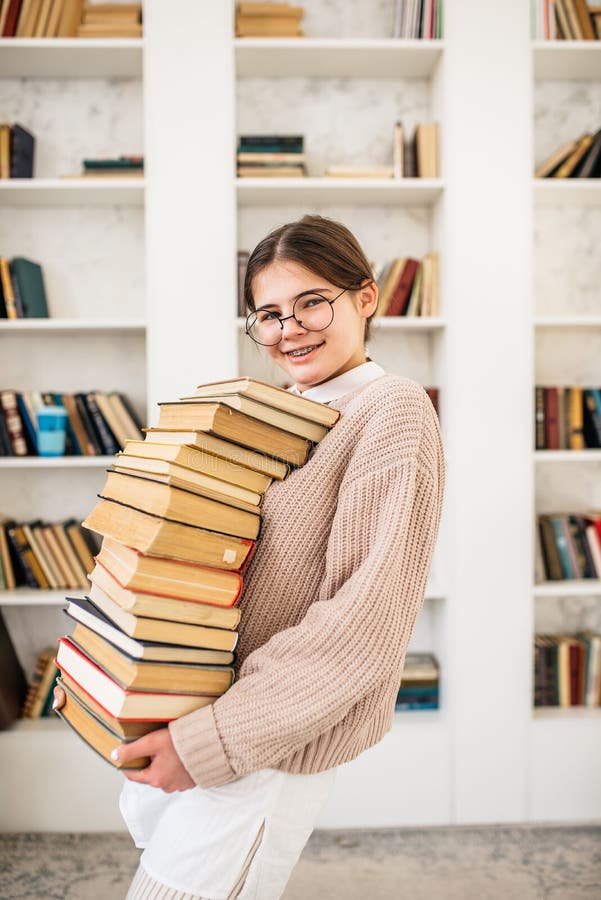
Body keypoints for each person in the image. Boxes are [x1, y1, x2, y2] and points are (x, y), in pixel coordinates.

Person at [53, 214, 445, 900]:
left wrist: (209, 740)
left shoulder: (392, 411)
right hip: (198, 707)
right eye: (267, 313)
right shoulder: (277, 413)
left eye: (310, 302)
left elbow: (363, 623)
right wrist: (106, 668)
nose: (288, 329)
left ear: (365, 297)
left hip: (264, 736)